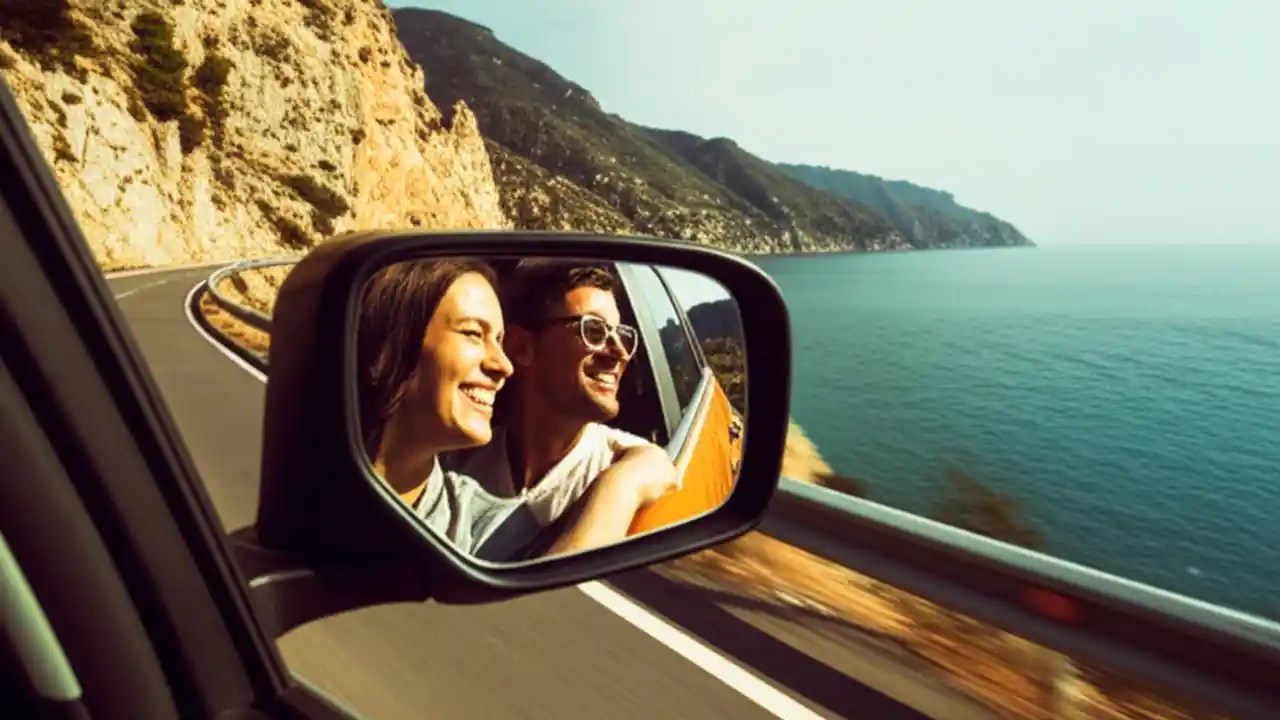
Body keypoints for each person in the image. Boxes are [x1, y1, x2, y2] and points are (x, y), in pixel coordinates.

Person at [442, 259, 678, 555]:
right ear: (521, 348)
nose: (619, 352)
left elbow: (659, 467)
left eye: (623, 335)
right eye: (594, 330)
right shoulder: (456, 458)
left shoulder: (628, 462)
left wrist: (621, 484)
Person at [356, 258, 524, 556]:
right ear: (397, 341)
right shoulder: (304, 460)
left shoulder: (488, 526)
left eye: (499, 341)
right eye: (474, 333)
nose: (505, 365)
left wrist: (624, 483)